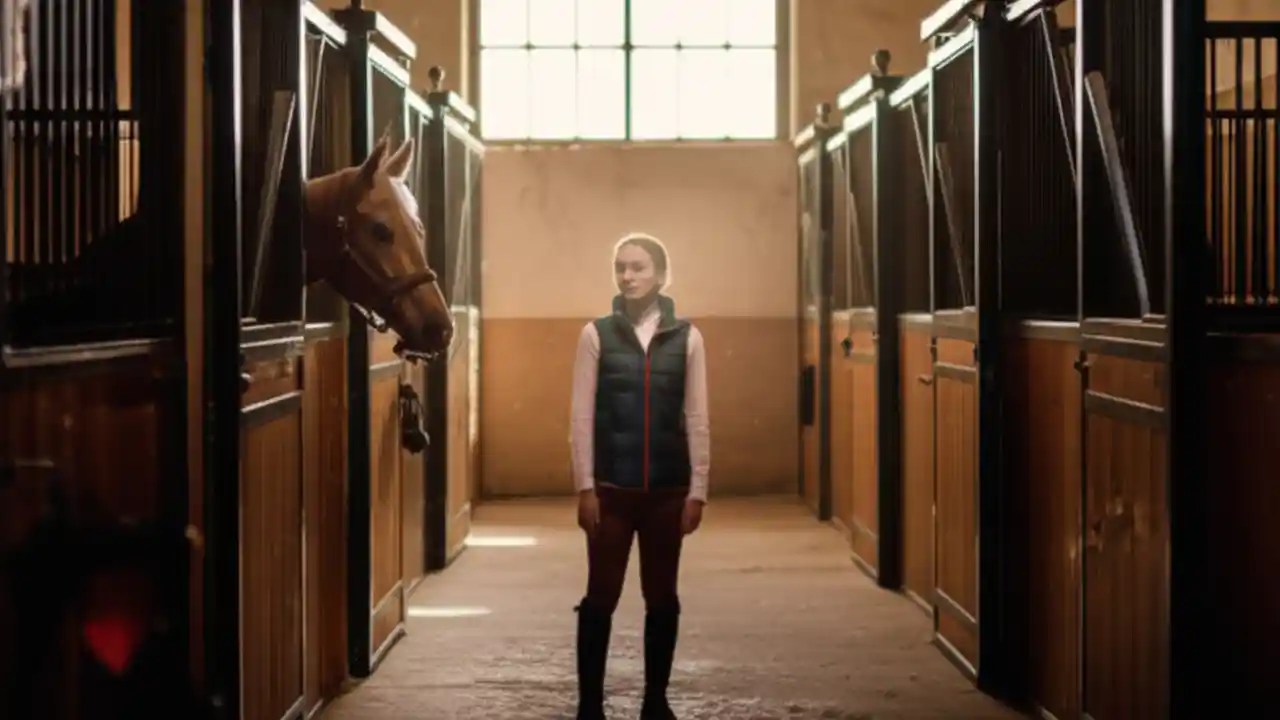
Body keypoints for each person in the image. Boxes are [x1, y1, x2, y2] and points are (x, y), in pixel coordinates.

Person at [570, 233, 710, 720]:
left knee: (663, 596)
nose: (628, 276)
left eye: (638, 267)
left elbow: (697, 417)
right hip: (611, 490)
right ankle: (590, 704)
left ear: (661, 275)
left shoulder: (688, 338)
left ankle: (656, 700)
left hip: (668, 493)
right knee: (601, 595)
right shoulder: (596, 334)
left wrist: (698, 489)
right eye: (620, 267)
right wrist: (585, 487)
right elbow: (581, 418)